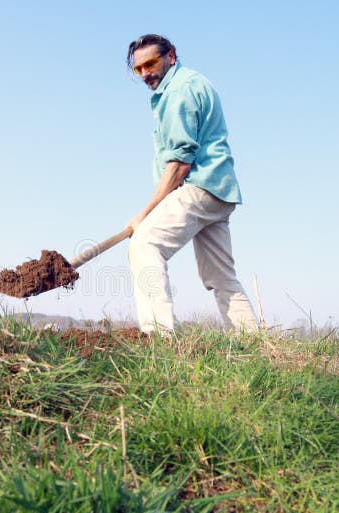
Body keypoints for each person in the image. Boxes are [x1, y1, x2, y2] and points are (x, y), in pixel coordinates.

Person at [125, 34, 258, 335]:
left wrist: (144, 214)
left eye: (151, 63)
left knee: (144, 243)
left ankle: (158, 338)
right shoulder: (192, 82)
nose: (145, 73)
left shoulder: (179, 91)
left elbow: (180, 163)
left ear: (170, 56)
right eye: (138, 69)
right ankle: (253, 343)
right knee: (221, 276)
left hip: (199, 186)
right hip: (219, 190)